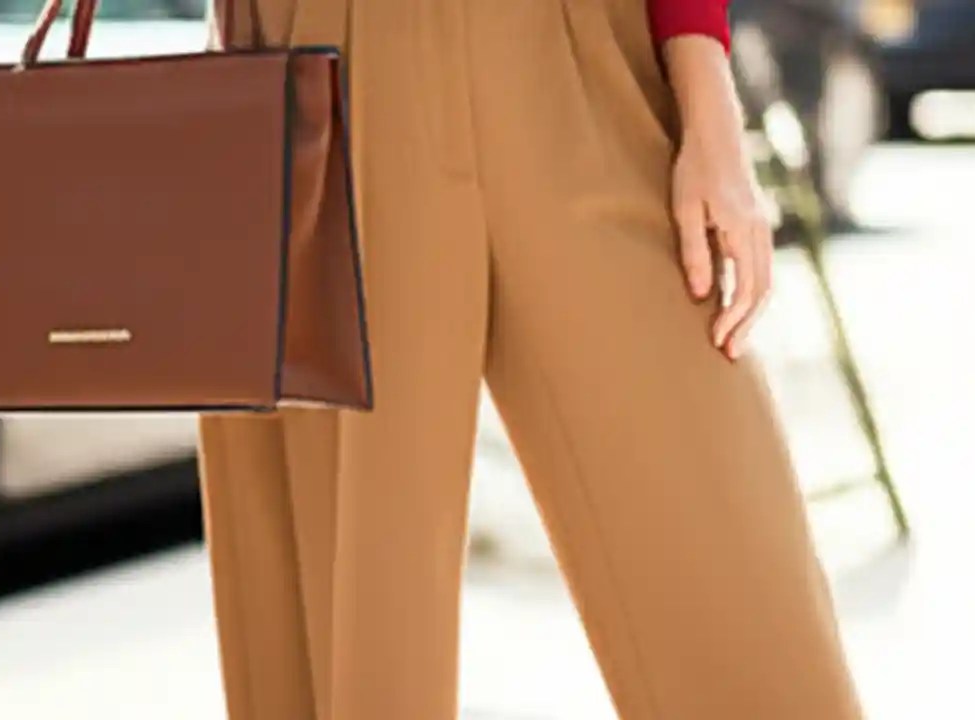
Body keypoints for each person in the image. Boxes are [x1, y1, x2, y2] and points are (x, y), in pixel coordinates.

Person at [198, 0, 866, 718]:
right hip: (321, 56)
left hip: (583, 57)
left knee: (744, 607)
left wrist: (707, 93)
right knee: (351, 652)